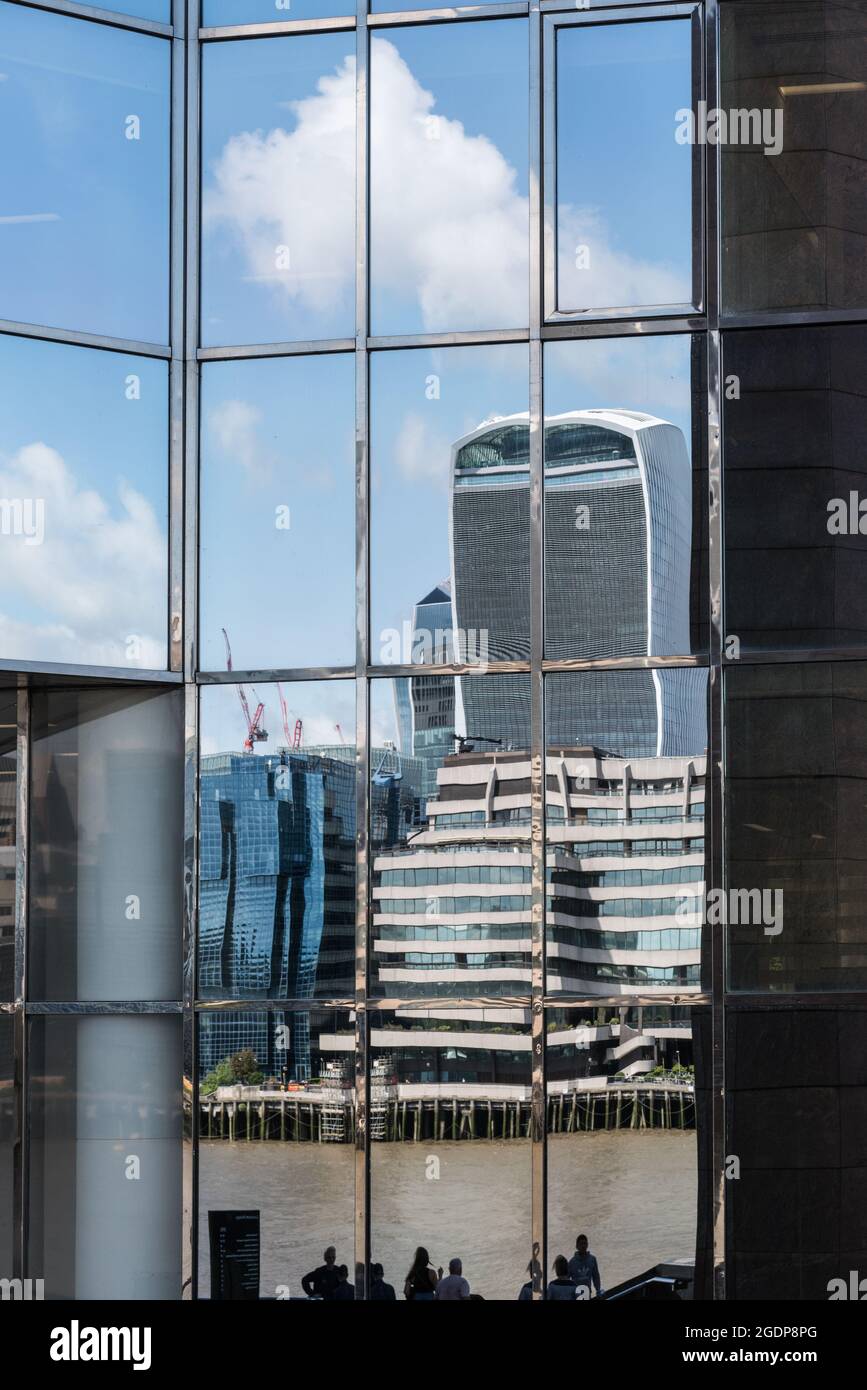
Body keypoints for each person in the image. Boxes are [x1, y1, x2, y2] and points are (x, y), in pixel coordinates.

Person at [567, 1233, 603, 1298]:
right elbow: (567, 1279)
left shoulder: (592, 1259)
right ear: (577, 1246)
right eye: (581, 1244)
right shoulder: (571, 1262)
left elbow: (596, 1277)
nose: (583, 1246)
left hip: (587, 1294)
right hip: (575, 1295)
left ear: (587, 1245)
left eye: (585, 1243)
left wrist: (598, 1290)